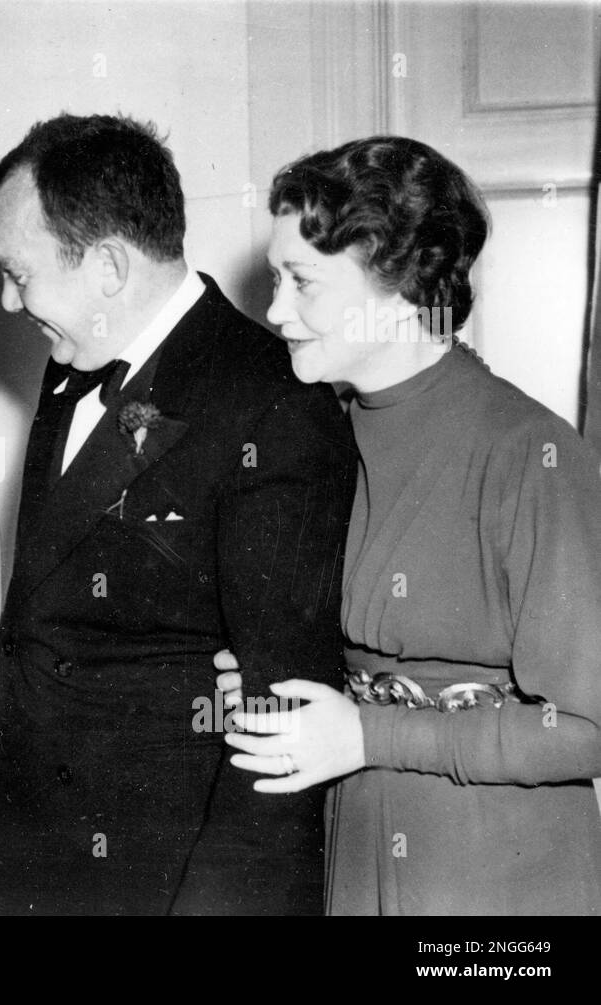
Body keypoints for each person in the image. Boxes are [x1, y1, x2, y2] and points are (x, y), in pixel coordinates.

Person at [0, 114, 358, 915]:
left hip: (172, 884)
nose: (8, 302)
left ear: (108, 266)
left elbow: (280, 725)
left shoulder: (273, 404)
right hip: (40, 869)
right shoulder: (70, 368)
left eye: (19, 274)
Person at [222, 135, 601, 915]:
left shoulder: (529, 453)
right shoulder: (313, 436)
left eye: (304, 282)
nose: (274, 310)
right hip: (359, 835)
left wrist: (372, 735)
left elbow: (588, 724)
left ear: (397, 289)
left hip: (499, 872)